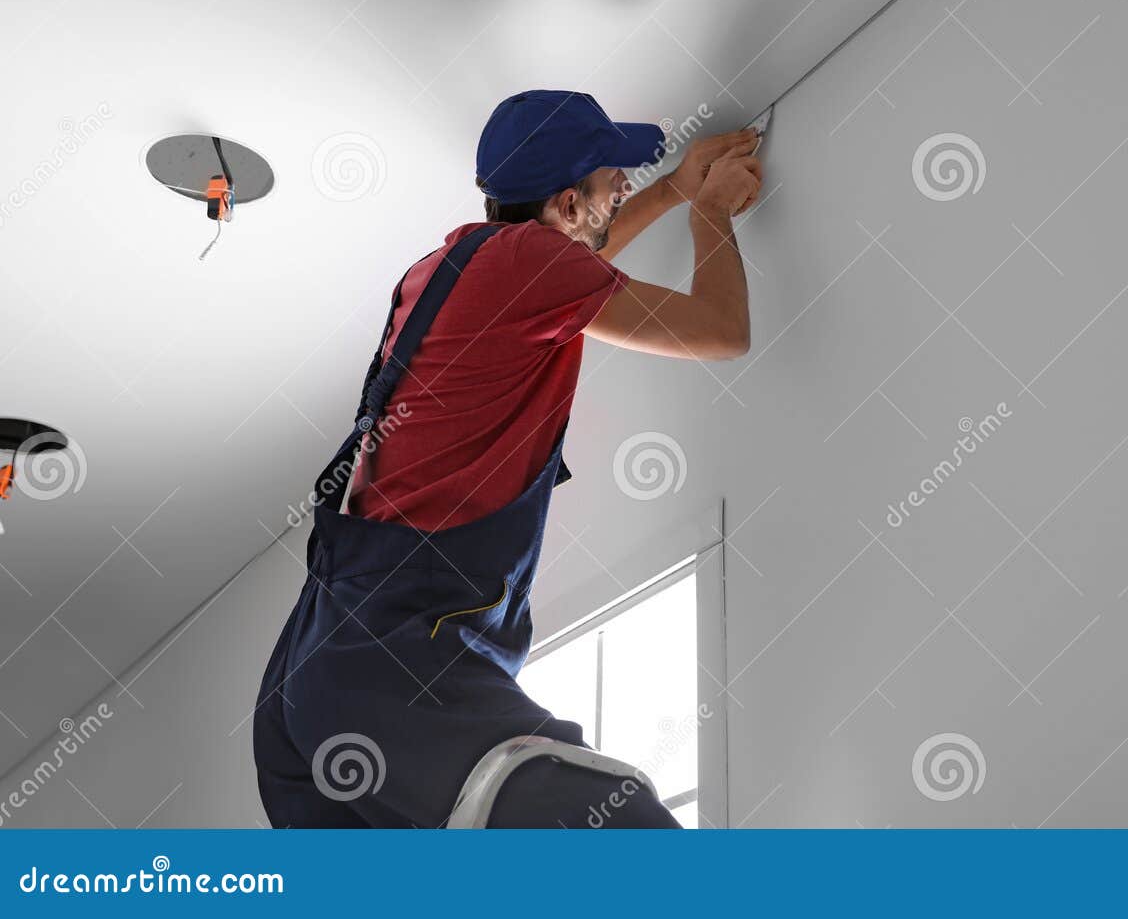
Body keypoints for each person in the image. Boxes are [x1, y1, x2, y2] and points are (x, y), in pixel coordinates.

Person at [253, 89, 762, 827]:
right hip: (399, 664)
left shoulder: (449, 269)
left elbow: (570, 271)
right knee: (611, 827)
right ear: (564, 203)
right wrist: (708, 213)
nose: (624, 182)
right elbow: (721, 329)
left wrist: (675, 188)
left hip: (317, 681)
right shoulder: (532, 267)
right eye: (609, 175)